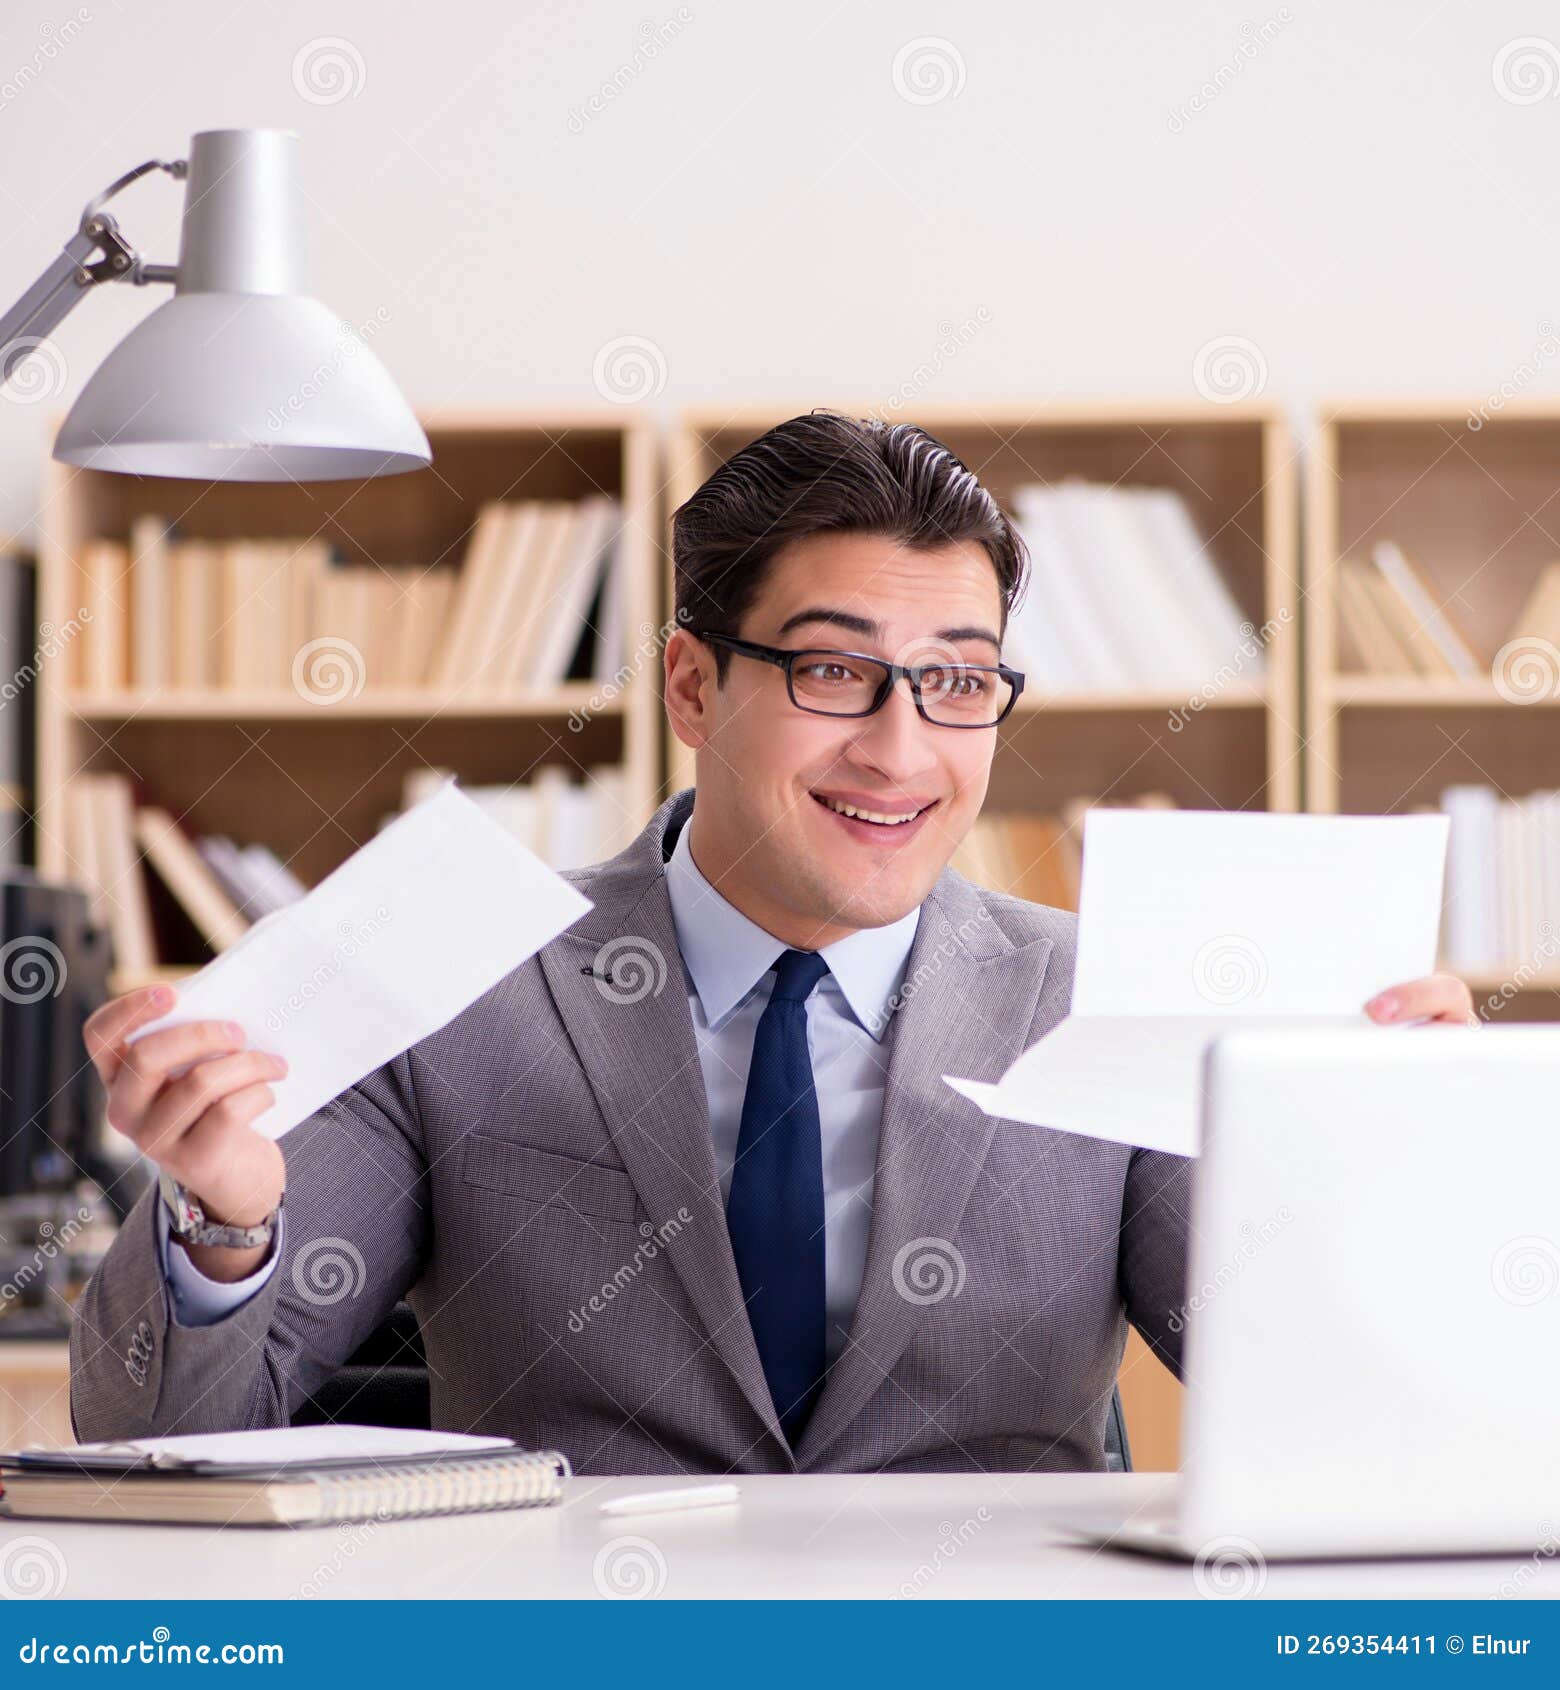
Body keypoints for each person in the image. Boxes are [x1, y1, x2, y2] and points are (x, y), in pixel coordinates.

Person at [69, 412, 1474, 1473]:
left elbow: (1350, 1423)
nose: (900, 746)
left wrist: (1410, 1172)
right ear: (693, 681)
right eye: (833, 669)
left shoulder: (1104, 995)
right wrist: (225, 1219)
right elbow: (154, 1442)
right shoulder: (469, 986)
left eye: (960, 680)